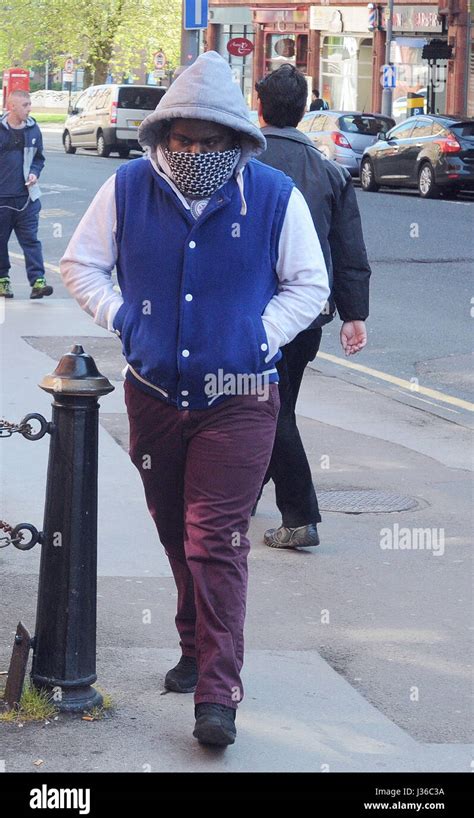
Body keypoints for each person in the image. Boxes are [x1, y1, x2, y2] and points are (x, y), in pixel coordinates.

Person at [60, 51, 330, 747]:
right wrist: (124, 318)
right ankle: (194, 644)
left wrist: (256, 337)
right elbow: (80, 264)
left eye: (211, 142)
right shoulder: (126, 187)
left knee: (217, 537)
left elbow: (310, 285)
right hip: (152, 394)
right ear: (163, 137)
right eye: (183, 139)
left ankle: (219, 691)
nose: (195, 153)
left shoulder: (272, 195)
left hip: (240, 397)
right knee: (174, 530)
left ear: (236, 139)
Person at [254, 64, 371, 549]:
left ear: (259, 106)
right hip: (306, 316)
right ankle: (246, 491)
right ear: (304, 112)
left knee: (267, 410)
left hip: (250, 313)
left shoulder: (239, 161)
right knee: (273, 406)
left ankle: (300, 516)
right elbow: (348, 249)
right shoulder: (329, 171)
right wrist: (353, 314)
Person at [0, 90, 53, 299]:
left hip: (27, 198)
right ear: (11, 106)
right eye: (25, 105)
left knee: (31, 240)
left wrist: (34, 172)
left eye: (29, 104)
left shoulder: (33, 129)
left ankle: (38, 281)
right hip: (2, 199)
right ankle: (3, 280)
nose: (29, 108)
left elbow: (39, 158)